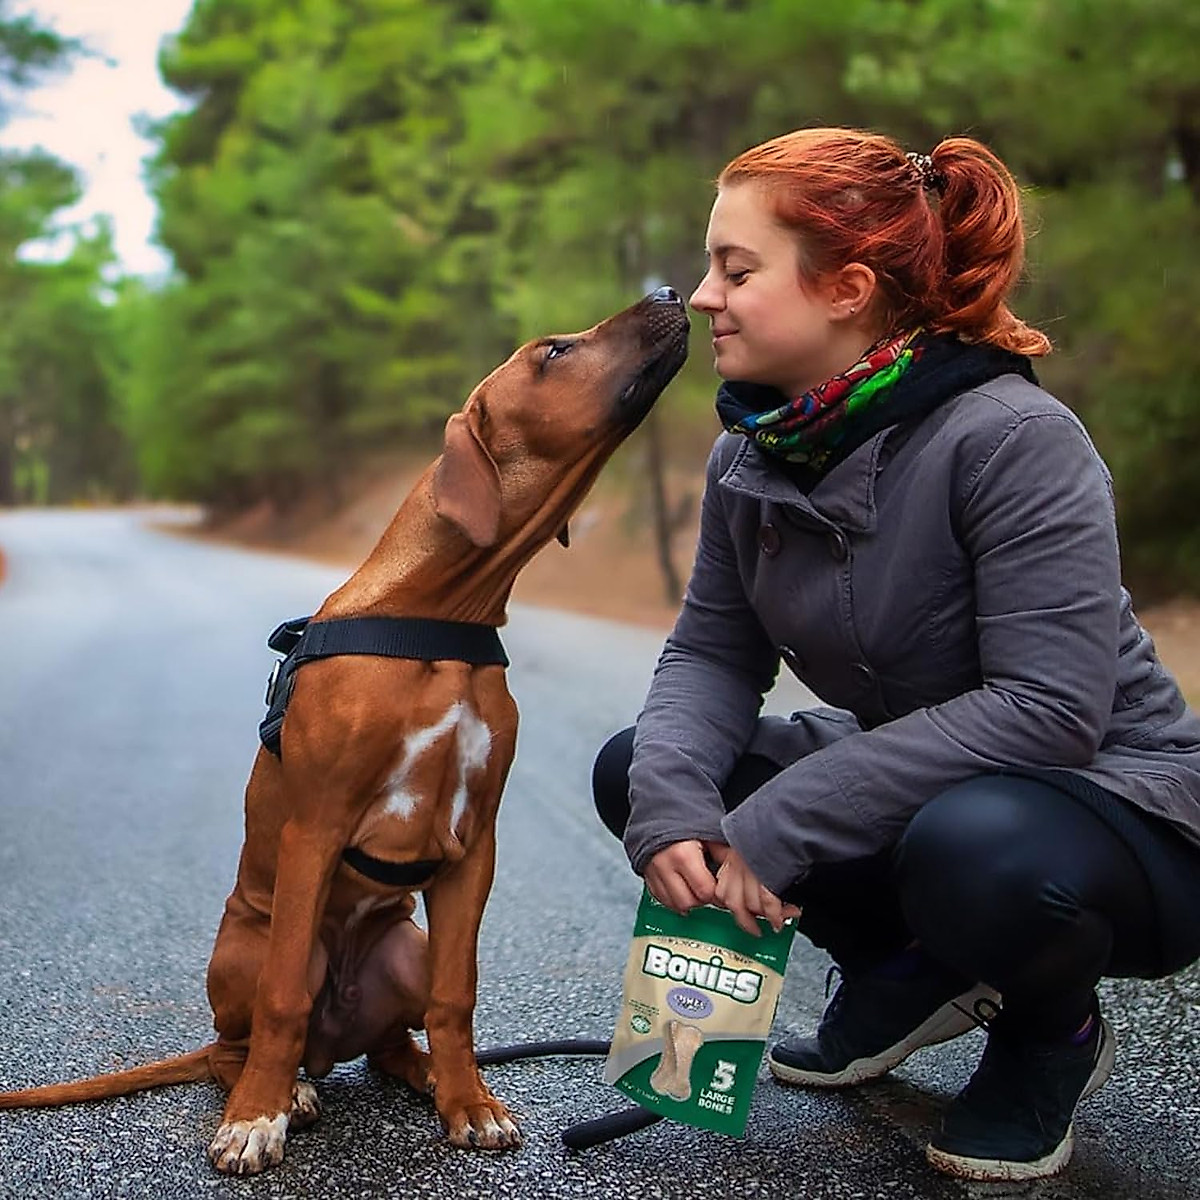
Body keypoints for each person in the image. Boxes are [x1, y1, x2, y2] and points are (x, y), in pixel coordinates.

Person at [591, 128, 1200, 1183]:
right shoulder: (756, 449)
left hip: (1116, 806)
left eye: (736, 269)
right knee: (641, 763)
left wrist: (782, 822)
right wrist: (676, 809)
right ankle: (904, 969)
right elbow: (713, 654)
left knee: (974, 848)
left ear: (849, 288)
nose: (701, 296)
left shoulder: (1011, 439)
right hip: (935, 789)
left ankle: (1051, 1036)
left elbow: (1049, 713)